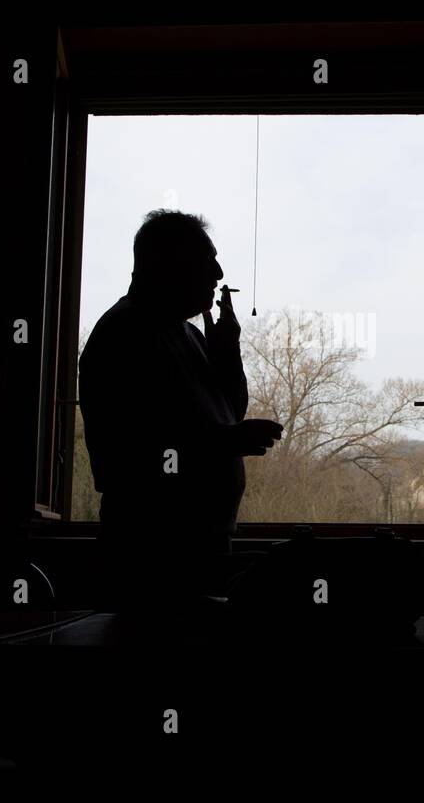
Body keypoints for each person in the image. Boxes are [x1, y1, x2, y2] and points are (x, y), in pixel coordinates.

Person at [77, 209, 283, 613]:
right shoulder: (124, 334)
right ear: (170, 263)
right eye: (208, 261)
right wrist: (226, 442)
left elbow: (228, 413)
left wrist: (227, 355)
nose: (219, 273)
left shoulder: (186, 334)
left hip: (198, 548)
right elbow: (129, 455)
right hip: (151, 555)